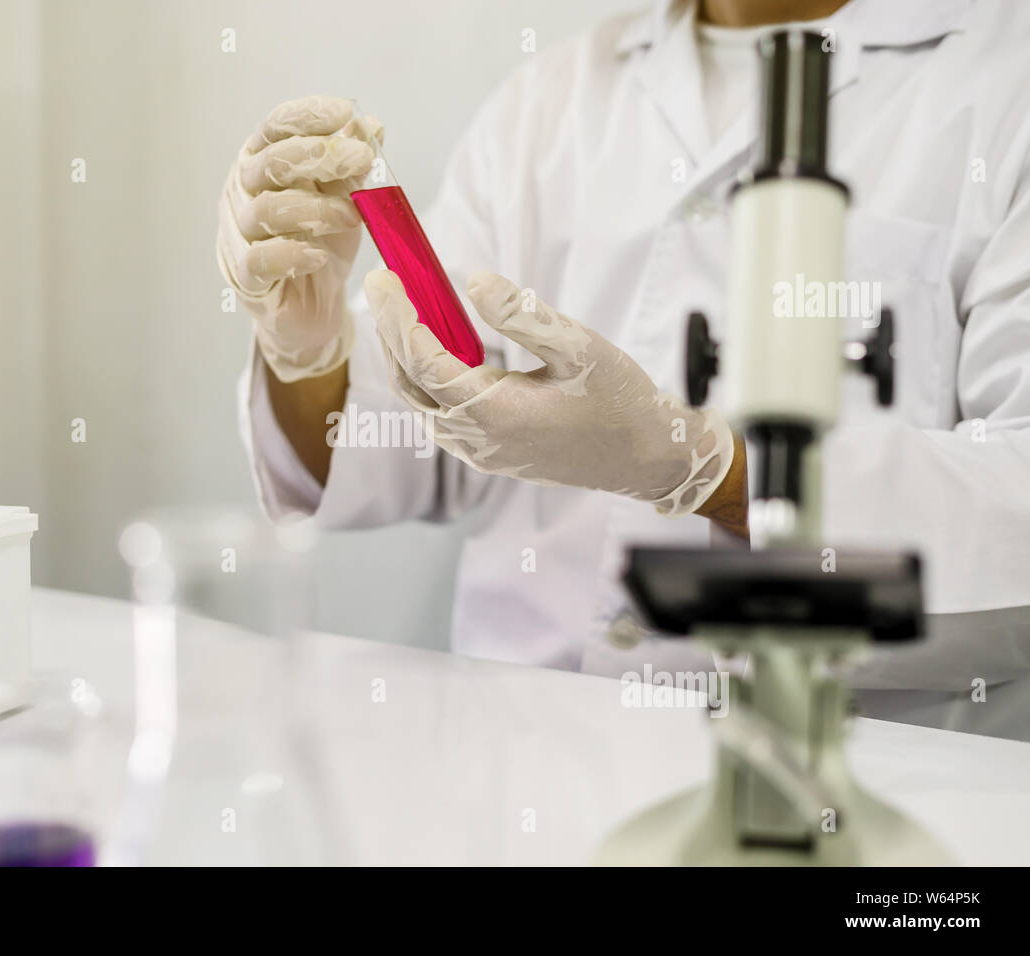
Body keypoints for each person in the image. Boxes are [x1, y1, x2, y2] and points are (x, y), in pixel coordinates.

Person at [216, 0, 1030, 740]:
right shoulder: (547, 101)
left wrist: (708, 471)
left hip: (870, 776)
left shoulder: (1002, 84)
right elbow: (408, 449)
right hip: (519, 754)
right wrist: (308, 358)